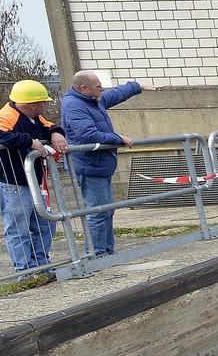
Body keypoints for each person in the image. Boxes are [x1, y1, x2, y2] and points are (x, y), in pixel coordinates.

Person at [62, 71, 153, 257]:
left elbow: (114, 94)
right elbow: (87, 135)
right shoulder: (74, 106)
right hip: (89, 166)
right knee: (98, 212)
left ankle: (107, 251)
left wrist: (137, 86)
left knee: (107, 210)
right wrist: (118, 138)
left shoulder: (93, 100)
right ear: (84, 88)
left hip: (101, 165)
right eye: (97, 86)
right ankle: (96, 254)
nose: (101, 88)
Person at [0, 79, 68, 272]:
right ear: (32, 104)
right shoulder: (7, 116)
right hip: (9, 182)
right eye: (43, 103)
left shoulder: (34, 117)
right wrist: (29, 141)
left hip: (29, 181)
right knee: (18, 228)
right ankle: (26, 271)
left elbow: (50, 126)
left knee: (45, 224)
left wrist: (56, 133)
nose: (45, 106)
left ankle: (41, 264)